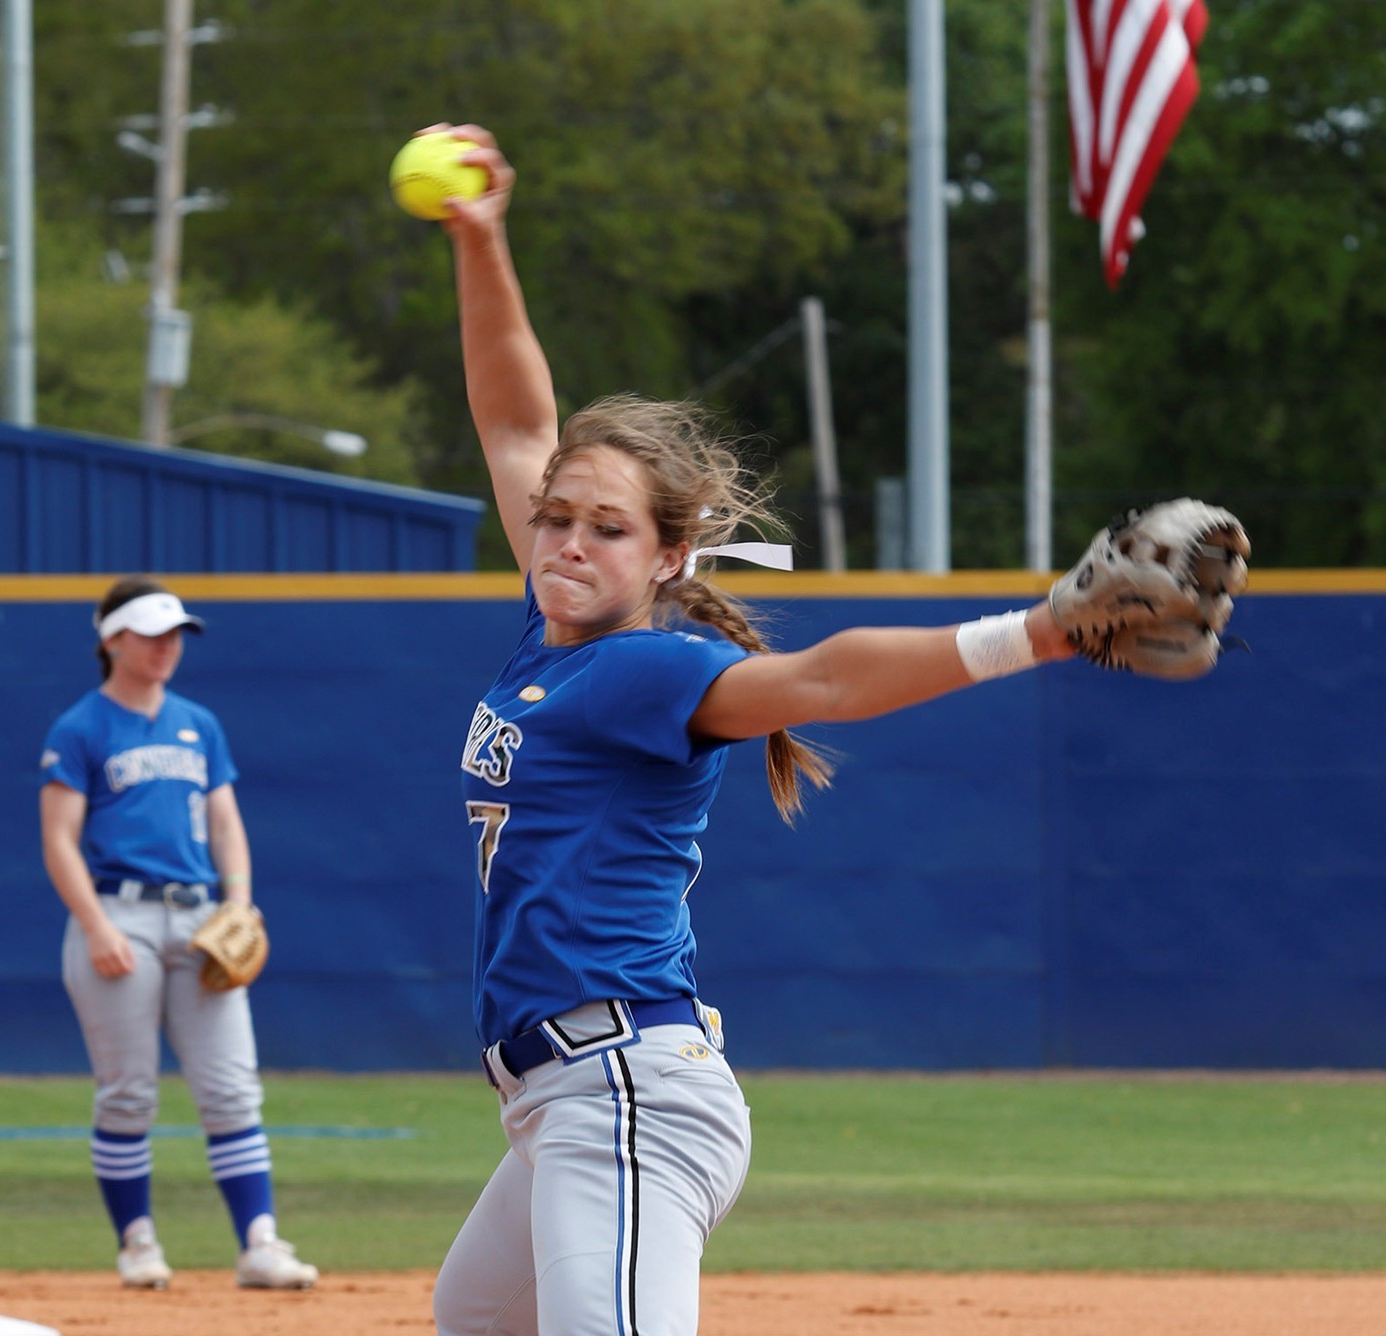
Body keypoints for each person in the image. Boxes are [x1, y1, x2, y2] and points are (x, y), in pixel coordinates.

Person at [427, 124, 1082, 1336]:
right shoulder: (551, 636)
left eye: (605, 528)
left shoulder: (647, 669)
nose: (568, 540)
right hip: (560, 1098)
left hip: (620, 1093)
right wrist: (482, 240)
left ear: (670, 554)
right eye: (555, 518)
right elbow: (517, 416)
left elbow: (824, 682)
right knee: (475, 1317)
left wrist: (1033, 631)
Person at [38, 577, 318, 1291]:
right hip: (117, 914)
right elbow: (60, 840)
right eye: (151, 634)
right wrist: (96, 926)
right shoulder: (80, 728)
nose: (166, 647)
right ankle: (137, 1243)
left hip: (199, 920)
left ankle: (259, 1243)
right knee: (128, 1093)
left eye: (174, 635)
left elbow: (224, 821)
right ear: (111, 642)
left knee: (230, 1088)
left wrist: (242, 903)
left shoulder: (199, 722)